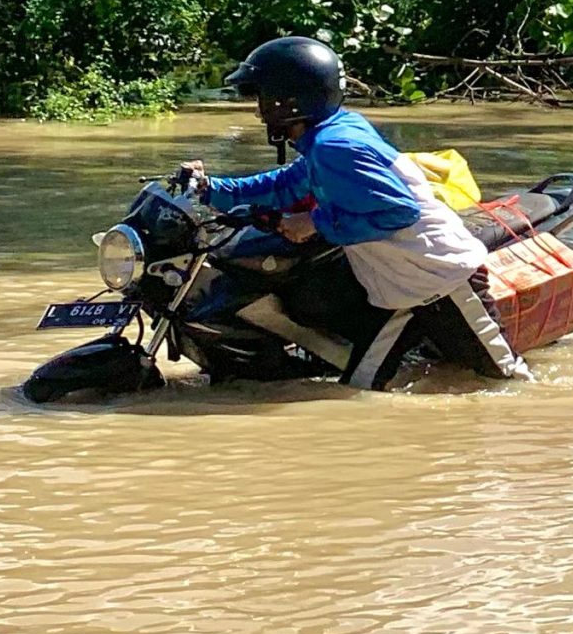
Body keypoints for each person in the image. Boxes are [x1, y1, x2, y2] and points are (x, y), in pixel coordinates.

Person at [182, 35, 531, 390]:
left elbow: (399, 212)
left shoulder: (335, 147)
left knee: (507, 381)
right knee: (360, 392)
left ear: (287, 100)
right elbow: (286, 185)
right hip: (399, 290)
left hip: (442, 281)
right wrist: (212, 189)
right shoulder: (331, 135)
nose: (258, 112)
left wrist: (313, 222)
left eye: (261, 99)